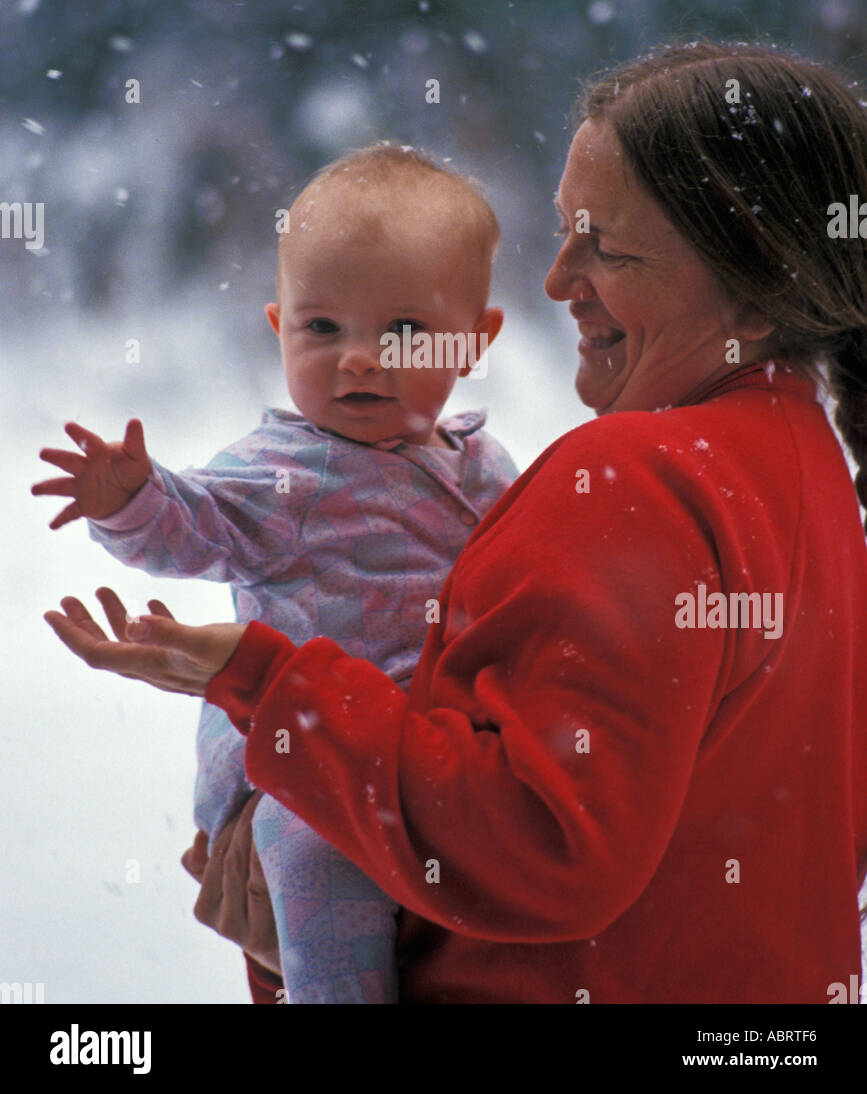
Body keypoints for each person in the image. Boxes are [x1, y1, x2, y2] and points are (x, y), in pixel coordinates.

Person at [45, 41, 867, 1004]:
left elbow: (543, 843)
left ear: (753, 284)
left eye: (605, 244)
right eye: (564, 232)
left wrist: (268, 684)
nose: (557, 279)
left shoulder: (635, 476)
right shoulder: (807, 468)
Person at [33, 142, 519, 1004]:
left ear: (475, 341)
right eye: (322, 327)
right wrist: (130, 499)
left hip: (417, 748)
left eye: (402, 332)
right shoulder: (282, 473)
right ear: (278, 328)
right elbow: (192, 525)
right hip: (293, 760)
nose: (359, 358)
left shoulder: (488, 468)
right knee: (314, 853)